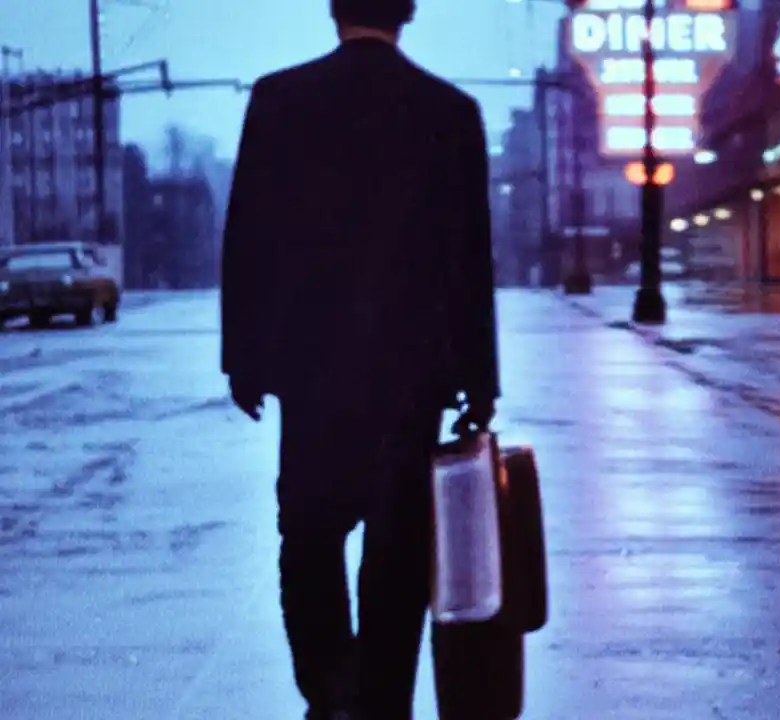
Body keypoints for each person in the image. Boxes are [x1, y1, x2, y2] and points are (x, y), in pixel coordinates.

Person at [219, 1, 499, 717]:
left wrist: (243, 360)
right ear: (406, 14)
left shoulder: (278, 101)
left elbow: (248, 238)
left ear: (334, 11)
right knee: (398, 548)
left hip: (311, 368)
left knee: (308, 534)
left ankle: (328, 685)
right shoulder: (450, 111)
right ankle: (382, 696)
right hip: (412, 374)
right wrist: (479, 378)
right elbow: (470, 260)